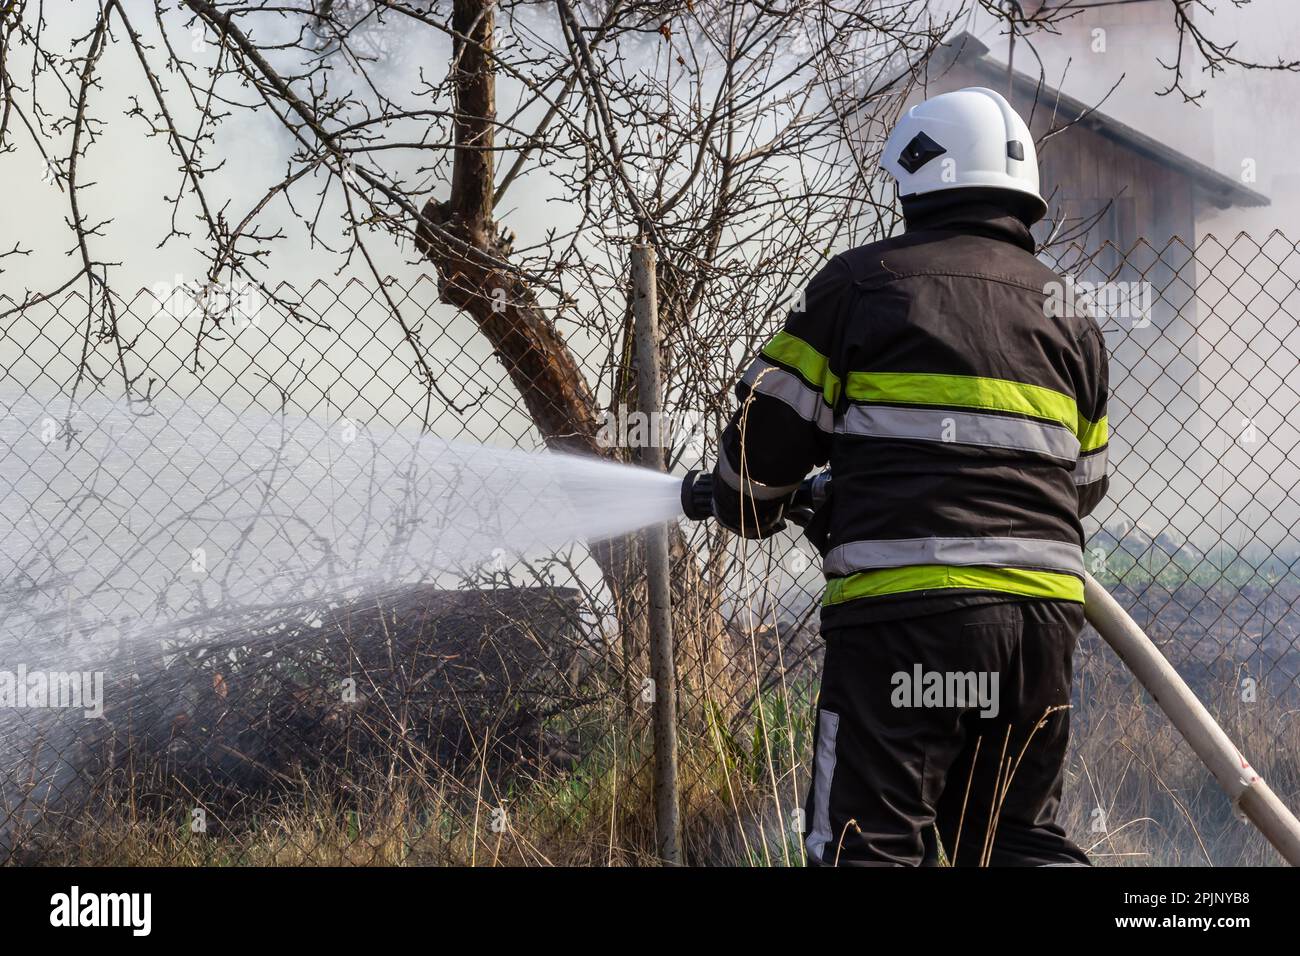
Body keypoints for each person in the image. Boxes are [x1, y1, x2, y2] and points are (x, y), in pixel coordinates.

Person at [706, 87, 1108, 866]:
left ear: (917, 180)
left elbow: (761, 458)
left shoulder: (863, 284)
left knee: (869, 844)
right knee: (1013, 839)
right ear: (1021, 193)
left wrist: (751, 502)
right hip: (1041, 627)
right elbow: (1080, 486)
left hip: (907, 627)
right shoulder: (1071, 311)